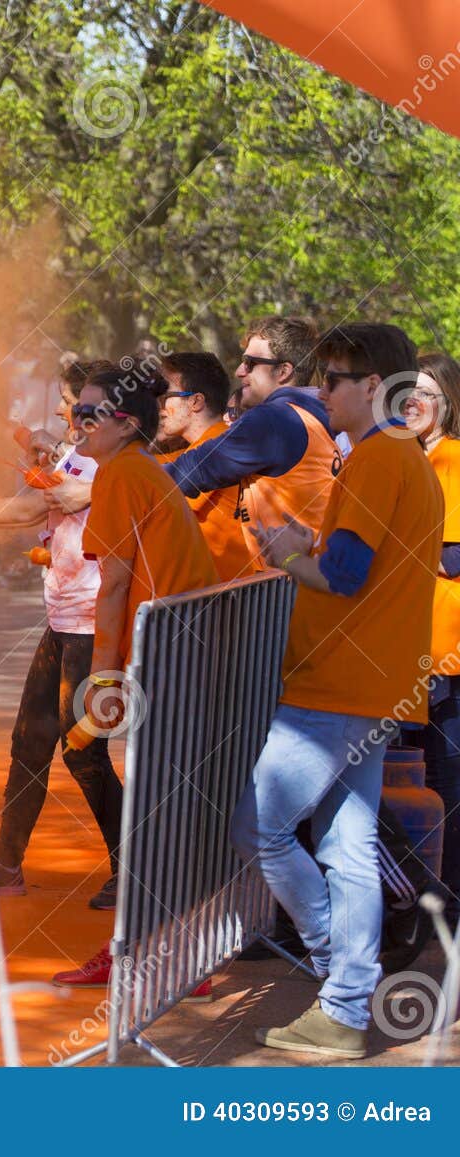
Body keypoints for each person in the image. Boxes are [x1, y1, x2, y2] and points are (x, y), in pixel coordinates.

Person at [233, 323, 442, 1059]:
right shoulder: (402, 458)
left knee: (259, 825)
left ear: (372, 387)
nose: (321, 391)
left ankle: (342, 983)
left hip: (341, 684)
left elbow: (346, 576)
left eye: (333, 378)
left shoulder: (382, 460)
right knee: (347, 848)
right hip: (373, 684)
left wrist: (290, 554)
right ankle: (345, 1005)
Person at [51, 358, 219, 990]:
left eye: (89, 414)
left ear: (123, 425)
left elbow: (115, 581)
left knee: (159, 812)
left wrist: (102, 679)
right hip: (184, 650)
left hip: (172, 655)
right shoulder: (136, 467)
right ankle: (165, 952)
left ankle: (156, 956)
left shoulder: (121, 472)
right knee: (165, 810)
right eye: (74, 412)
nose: (77, 424)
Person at [0, 357, 124, 909]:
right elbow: (36, 508)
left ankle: (134, 868)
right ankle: (6, 862)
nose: (62, 409)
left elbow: (32, 505)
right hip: (62, 623)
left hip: (94, 626)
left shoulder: (116, 465)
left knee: (83, 751)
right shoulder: (81, 455)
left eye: (74, 402)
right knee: (30, 741)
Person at [166, 317, 337, 559]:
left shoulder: (274, 420)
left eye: (250, 363)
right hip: (306, 571)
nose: (239, 371)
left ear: (284, 371)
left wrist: (122, 484)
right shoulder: (311, 414)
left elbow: (194, 470)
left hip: (289, 583)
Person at [403, 350, 460, 926]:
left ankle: (445, 904)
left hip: (445, 651)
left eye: (428, 392)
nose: (414, 402)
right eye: (407, 391)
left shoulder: (451, 461)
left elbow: (451, 559)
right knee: (419, 781)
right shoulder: (408, 458)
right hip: (408, 650)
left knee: (445, 783)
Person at [156, 351, 252, 580]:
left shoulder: (217, 449)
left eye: (163, 397)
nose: (158, 408)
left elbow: (150, 496)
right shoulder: (212, 443)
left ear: (195, 401)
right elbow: (151, 466)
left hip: (227, 601)